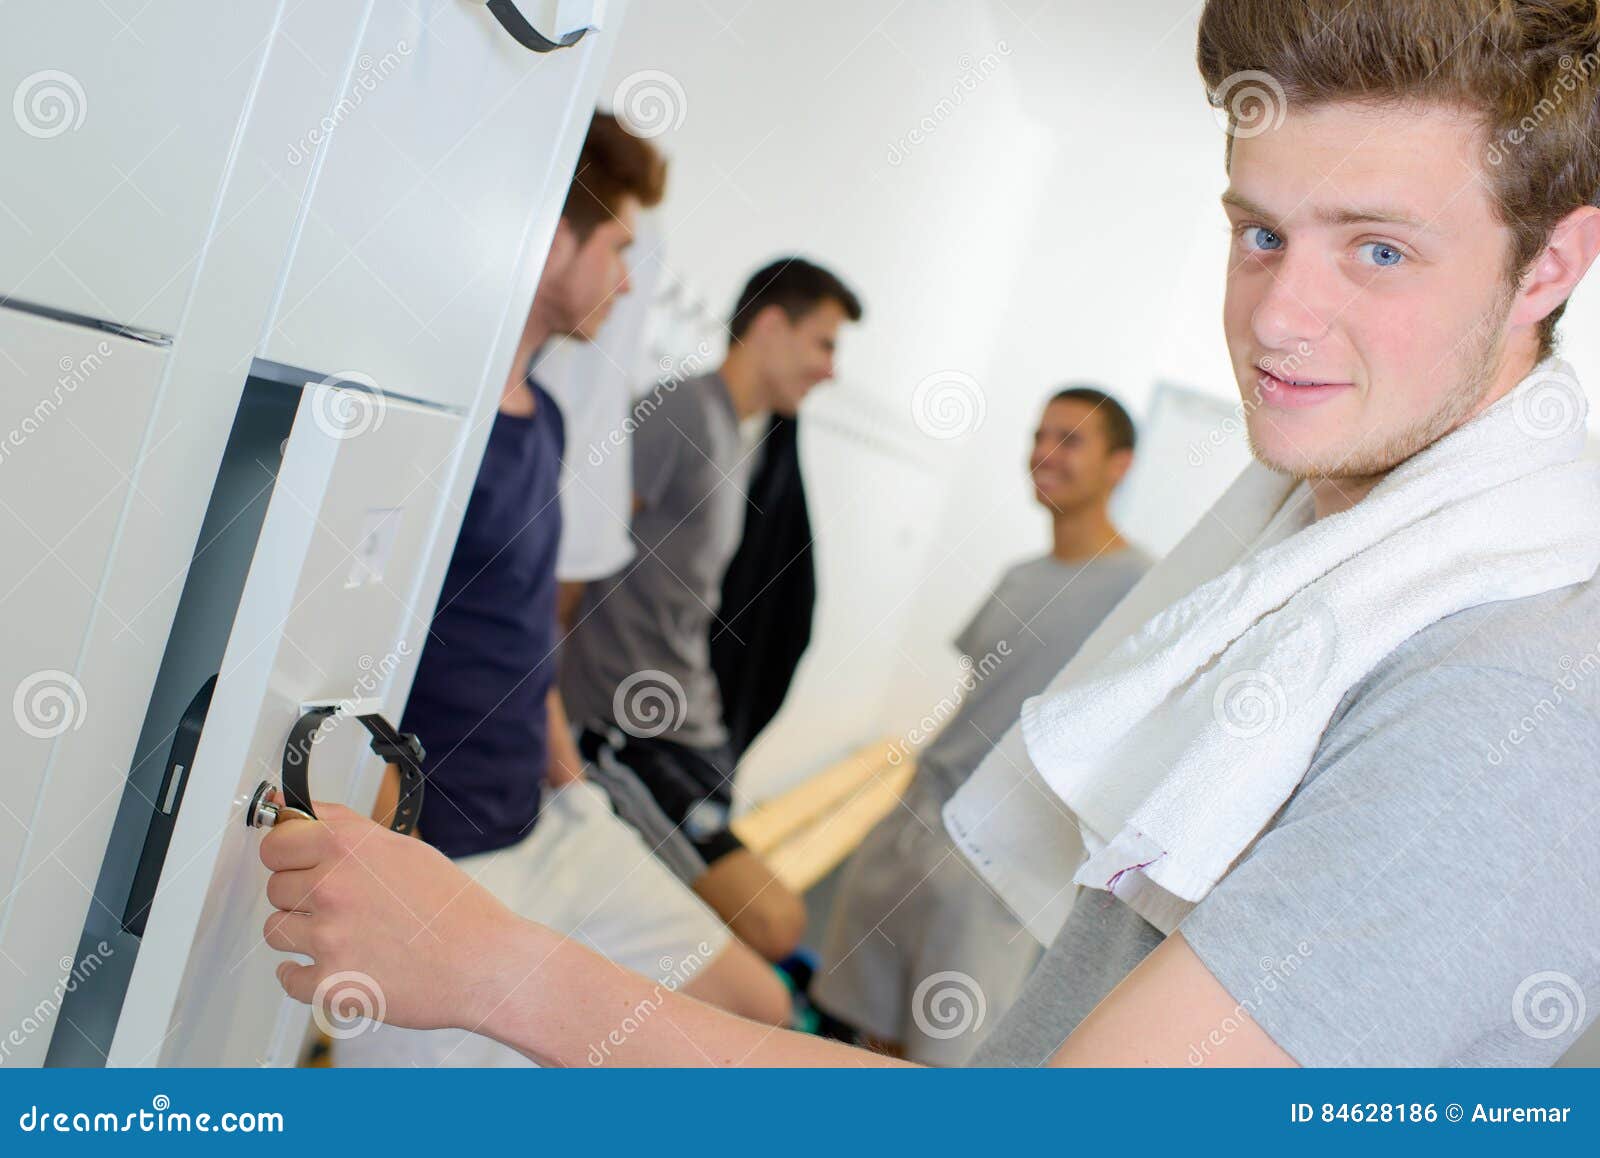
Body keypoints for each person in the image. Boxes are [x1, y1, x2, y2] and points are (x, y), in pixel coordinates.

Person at [264, 0, 1600, 1067]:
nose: (1277, 318)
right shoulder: (1309, 549)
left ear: (1550, 263)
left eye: (1378, 250)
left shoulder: (1516, 715)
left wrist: (500, 967)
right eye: (1260, 232)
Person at [341, 112, 789, 1067]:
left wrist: (572, 785)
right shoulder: (427, 428)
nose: (628, 280)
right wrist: (393, 864)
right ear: (557, 238)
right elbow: (346, 647)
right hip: (445, 856)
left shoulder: (540, 418)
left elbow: (524, 635)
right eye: (620, 248)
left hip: (552, 821)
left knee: (758, 1007)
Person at [811, 388, 1152, 1064]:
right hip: (915, 825)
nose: (1043, 454)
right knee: (862, 1044)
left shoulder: (1140, 590)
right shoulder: (1020, 576)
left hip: (998, 863)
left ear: (1119, 464)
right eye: (1039, 434)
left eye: (1070, 439)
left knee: (946, 1063)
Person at [560, 258, 862, 962]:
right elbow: (574, 557)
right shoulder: (681, 412)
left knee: (725, 946)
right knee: (773, 925)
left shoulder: (740, 435)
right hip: (624, 730)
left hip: (690, 732)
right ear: (767, 325)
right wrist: (547, 715)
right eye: (823, 343)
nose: (831, 370)